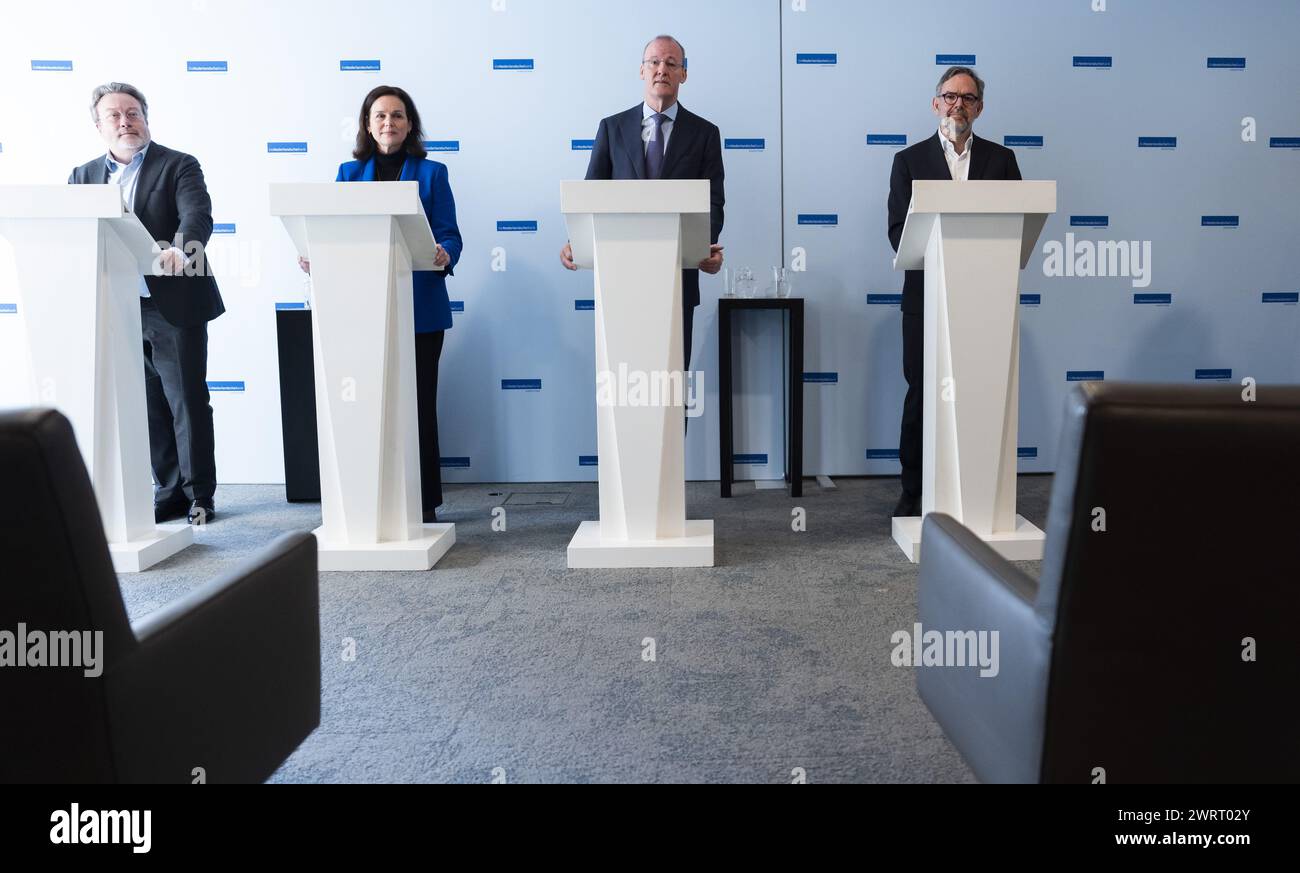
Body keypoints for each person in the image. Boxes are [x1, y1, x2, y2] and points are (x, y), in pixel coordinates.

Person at [300, 85, 462, 523]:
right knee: (367, 406)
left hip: (421, 311)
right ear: (367, 126)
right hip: (360, 314)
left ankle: (423, 503)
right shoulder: (347, 175)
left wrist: (446, 252)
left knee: (418, 406)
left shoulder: (432, 174)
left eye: (397, 115)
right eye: (379, 116)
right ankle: (371, 502)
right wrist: (317, 254)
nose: (388, 123)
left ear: (410, 124)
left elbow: (450, 234)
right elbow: (334, 232)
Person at [69, 82, 225, 525]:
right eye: (115, 115)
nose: (125, 122)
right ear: (98, 126)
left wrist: (182, 249)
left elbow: (197, 215)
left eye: (133, 113)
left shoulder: (178, 165)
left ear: (146, 117)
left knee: (186, 401)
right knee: (147, 403)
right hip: (116, 307)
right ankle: (170, 491)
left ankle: (199, 496)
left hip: (173, 301)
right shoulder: (81, 176)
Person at [886, 66, 1022, 519]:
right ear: (935, 103)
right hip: (925, 300)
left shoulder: (1002, 161)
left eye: (967, 98)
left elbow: (1016, 227)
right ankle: (914, 490)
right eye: (949, 96)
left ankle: (977, 492)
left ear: (979, 108)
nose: (957, 104)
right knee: (921, 394)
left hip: (984, 304)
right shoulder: (909, 161)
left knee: (980, 392)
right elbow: (896, 233)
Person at [560, 34, 725, 373]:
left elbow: (713, 203)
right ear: (642, 70)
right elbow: (593, 196)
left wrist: (701, 249)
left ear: (683, 74)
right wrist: (578, 242)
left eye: (671, 63)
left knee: (670, 387)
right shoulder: (611, 128)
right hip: (620, 279)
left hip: (678, 281)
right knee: (623, 381)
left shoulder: (705, 133)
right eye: (654, 62)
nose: (661, 69)